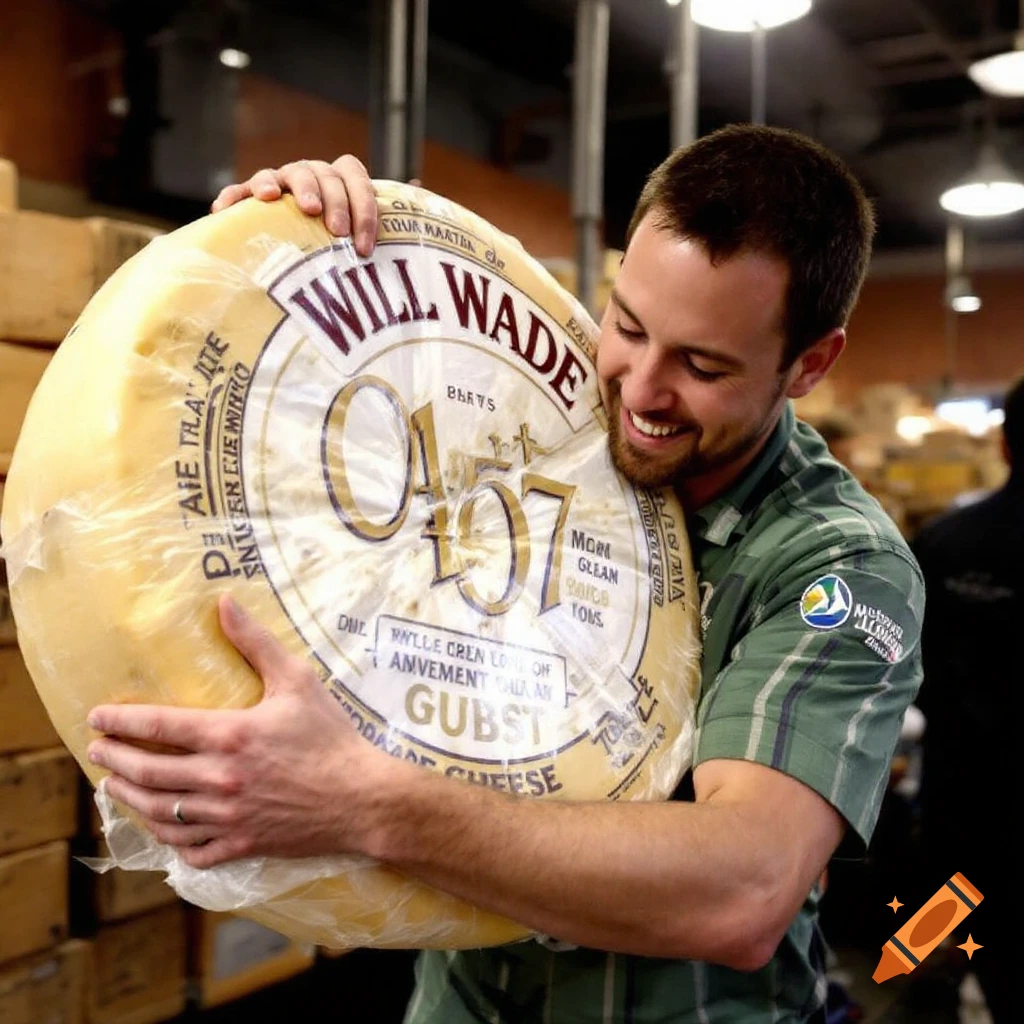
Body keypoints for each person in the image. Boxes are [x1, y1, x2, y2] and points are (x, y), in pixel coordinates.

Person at [85, 126, 925, 1023]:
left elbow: (743, 890)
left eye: (703, 365)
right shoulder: (552, 408)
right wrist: (307, 238)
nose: (640, 391)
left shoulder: (838, 565)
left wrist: (362, 802)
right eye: (628, 326)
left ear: (810, 364)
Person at [911, 378, 1023, 1024]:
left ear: (1004, 444)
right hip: (974, 801)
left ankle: (928, 993)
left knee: (927, 951)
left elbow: (906, 669)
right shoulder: (948, 543)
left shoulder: (946, 542)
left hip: (956, 799)